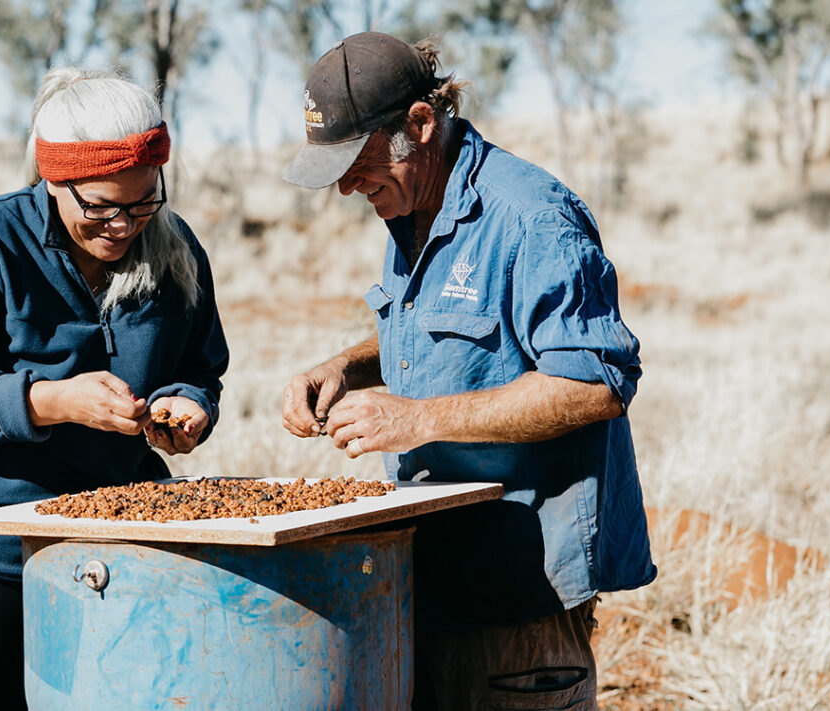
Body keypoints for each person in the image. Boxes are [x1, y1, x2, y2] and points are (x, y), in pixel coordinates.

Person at [280, 32, 655, 710]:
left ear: (419, 126)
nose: (344, 187)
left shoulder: (531, 217)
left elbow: (596, 382)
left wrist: (416, 418)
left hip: (521, 593)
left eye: (355, 162)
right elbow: (451, 329)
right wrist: (347, 366)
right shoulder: (411, 204)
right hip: (431, 579)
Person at [0, 66, 228, 710]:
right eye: (100, 206)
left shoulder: (177, 251)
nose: (124, 224)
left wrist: (189, 404)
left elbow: (201, 366)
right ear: (51, 178)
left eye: (144, 201)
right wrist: (54, 400)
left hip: (106, 551)